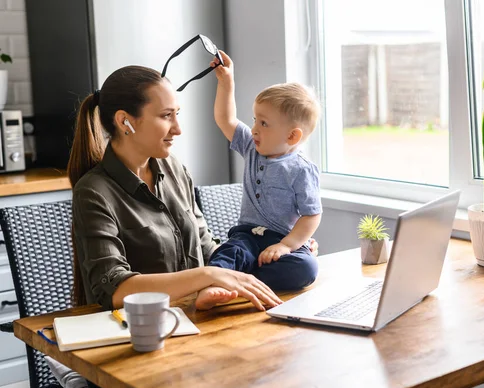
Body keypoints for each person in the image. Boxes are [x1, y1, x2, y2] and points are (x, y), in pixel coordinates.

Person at [68, 64, 285, 312]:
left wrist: (282, 246)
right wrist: (205, 276)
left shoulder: (174, 169)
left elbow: (206, 248)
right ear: (124, 121)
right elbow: (113, 288)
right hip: (137, 332)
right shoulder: (94, 192)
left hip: (192, 320)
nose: (178, 129)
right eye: (165, 115)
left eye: (177, 114)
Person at [205, 50, 322, 298]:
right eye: (255, 120)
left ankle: (240, 280)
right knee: (228, 253)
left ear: (292, 136)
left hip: (281, 240)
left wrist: (287, 245)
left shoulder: (301, 169)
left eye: (264, 123)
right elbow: (225, 119)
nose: (254, 129)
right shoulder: (251, 146)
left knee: (306, 267)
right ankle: (216, 284)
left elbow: (311, 215)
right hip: (246, 237)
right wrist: (227, 82)